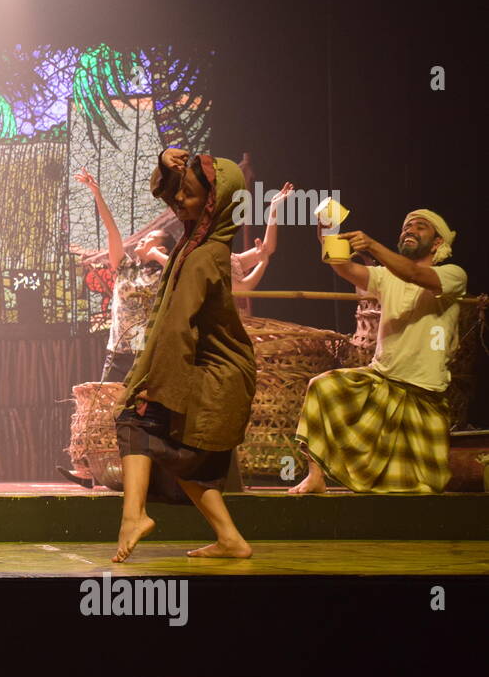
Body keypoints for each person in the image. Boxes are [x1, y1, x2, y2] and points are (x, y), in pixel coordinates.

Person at [113, 149, 257, 562]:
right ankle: (230, 539)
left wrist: (151, 386)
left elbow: (177, 329)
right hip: (211, 368)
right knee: (183, 453)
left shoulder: (201, 257)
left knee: (138, 419)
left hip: (215, 374)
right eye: (180, 192)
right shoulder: (202, 239)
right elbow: (167, 190)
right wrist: (164, 162)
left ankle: (133, 516)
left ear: (213, 203)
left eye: (190, 195)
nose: (179, 200)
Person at [289, 209, 466, 494]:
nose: (409, 230)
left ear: (437, 243)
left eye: (420, 227)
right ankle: (315, 476)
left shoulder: (453, 275)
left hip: (423, 393)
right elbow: (343, 266)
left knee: (423, 488)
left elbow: (414, 273)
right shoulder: (386, 277)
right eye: (406, 226)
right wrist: (328, 232)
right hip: (381, 380)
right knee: (322, 387)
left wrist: (370, 245)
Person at [73, 167, 172, 382]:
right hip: (118, 352)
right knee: (107, 409)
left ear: (162, 249)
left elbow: (182, 270)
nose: (144, 239)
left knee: (142, 410)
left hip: (147, 354)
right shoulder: (126, 267)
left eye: (151, 239)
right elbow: (112, 231)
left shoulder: (167, 274)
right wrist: (96, 193)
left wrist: (157, 255)